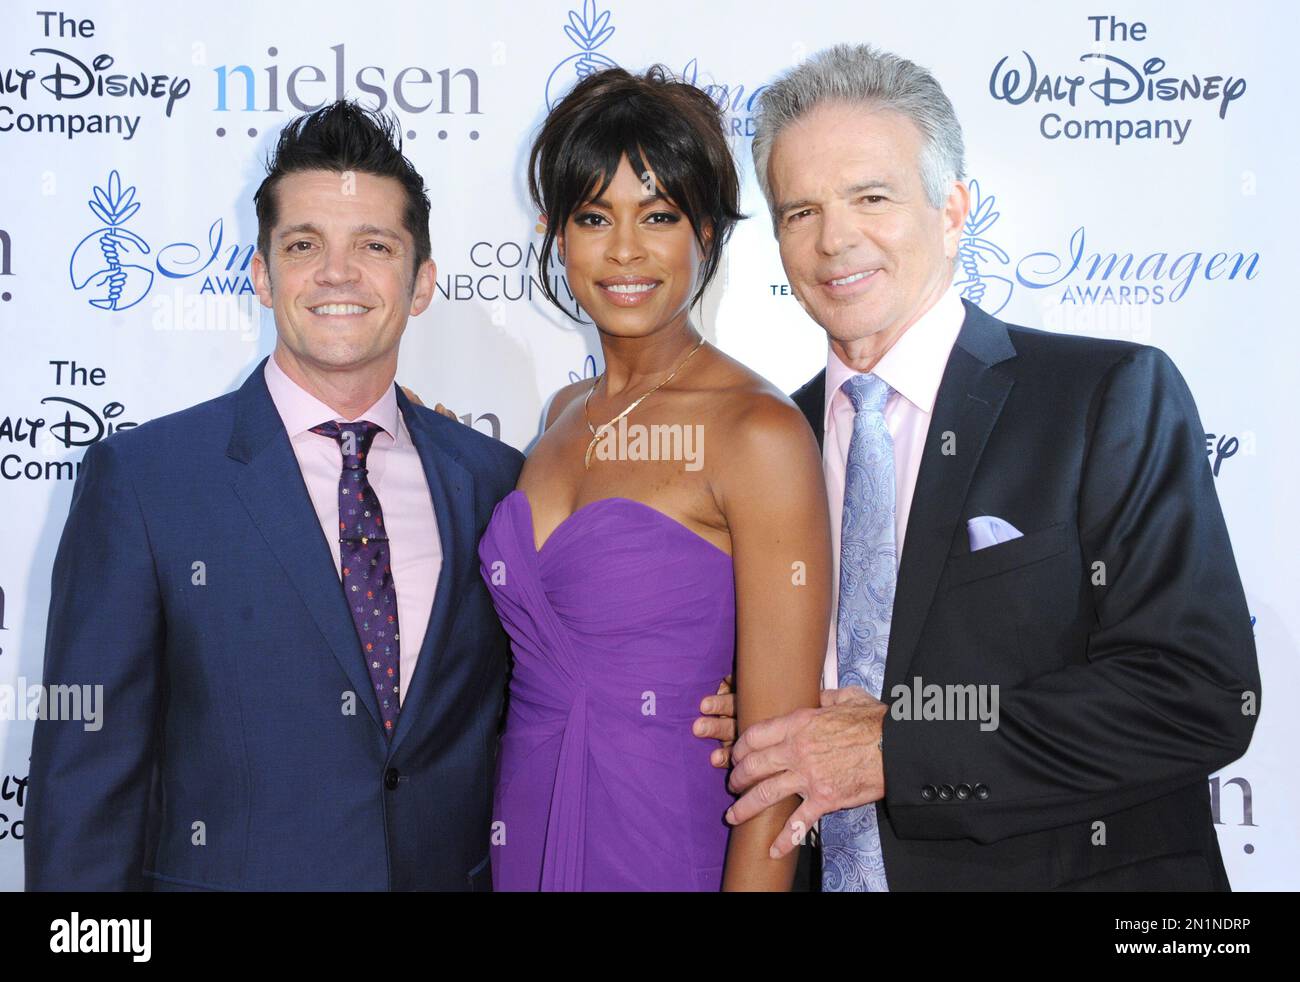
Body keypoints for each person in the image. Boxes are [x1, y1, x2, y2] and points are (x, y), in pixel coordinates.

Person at [706, 44, 1260, 890]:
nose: (835, 239)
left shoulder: (1105, 396)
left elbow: (1195, 694)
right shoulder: (770, 441)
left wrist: (893, 750)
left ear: (954, 207)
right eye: (800, 211)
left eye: (872, 197)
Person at [25, 101, 525, 890]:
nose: (337, 273)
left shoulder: (496, 481)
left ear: (421, 281)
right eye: (303, 245)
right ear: (261, 275)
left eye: (374, 245)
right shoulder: (146, 482)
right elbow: (85, 787)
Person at [478, 66, 831, 891]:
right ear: (556, 236)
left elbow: (778, 771)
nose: (626, 250)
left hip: (663, 839)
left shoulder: (759, 432)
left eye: (660, 216)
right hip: (523, 825)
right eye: (594, 216)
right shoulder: (563, 413)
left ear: (706, 231)